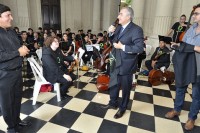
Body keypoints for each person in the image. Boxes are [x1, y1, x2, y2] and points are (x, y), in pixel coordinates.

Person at [101, 7, 144, 119]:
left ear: (128, 17)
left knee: (125, 87)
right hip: (115, 60)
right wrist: (110, 33)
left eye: (120, 14)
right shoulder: (119, 27)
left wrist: (122, 46)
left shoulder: (136, 29)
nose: (118, 16)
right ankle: (112, 103)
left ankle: (123, 108)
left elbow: (139, 48)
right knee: (114, 83)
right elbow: (113, 42)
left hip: (126, 64)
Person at [165, 4, 200, 131]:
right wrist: (177, 45)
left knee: (196, 93)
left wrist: (193, 48)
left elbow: (190, 47)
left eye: (196, 13)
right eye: (194, 13)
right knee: (180, 87)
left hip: (198, 65)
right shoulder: (191, 29)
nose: (194, 15)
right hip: (185, 63)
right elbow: (184, 43)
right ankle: (177, 109)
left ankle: (192, 118)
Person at [0, 4, 30, 133]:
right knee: (7, 103)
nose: (11, 18)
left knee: (17, 99)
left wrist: (23, 50)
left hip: (17, 72)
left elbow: (17, 48)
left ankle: (16, 120)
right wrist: (18, 52)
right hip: (5, 75)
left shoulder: (11, 31)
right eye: (8, 15)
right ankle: (11, 127)